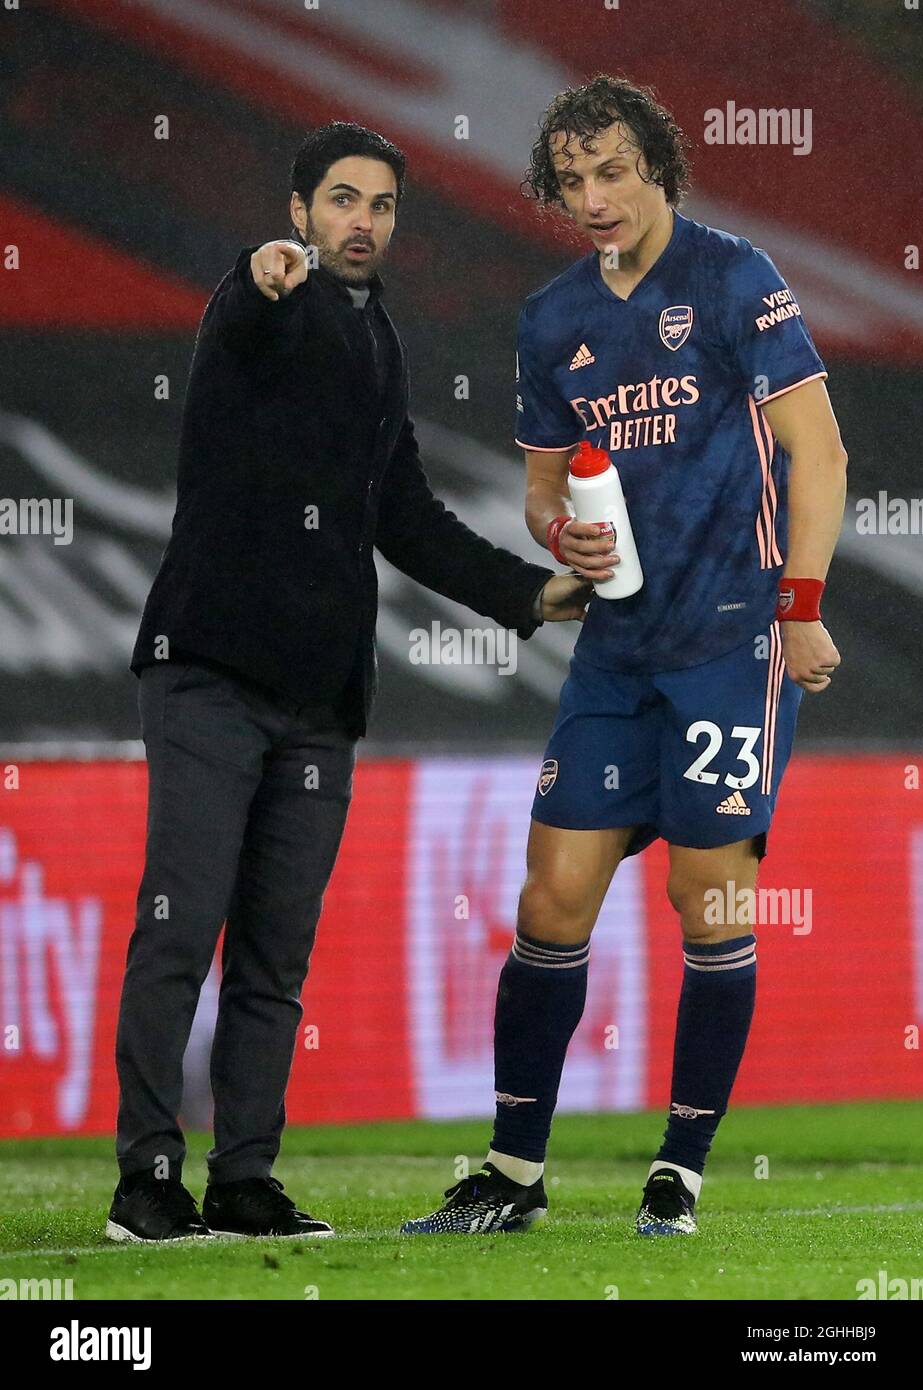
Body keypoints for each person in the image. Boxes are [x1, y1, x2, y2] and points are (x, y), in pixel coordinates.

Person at [108, 121, 588, 1243]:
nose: (359, 221)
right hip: (209, 672)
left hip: (320, 699)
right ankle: (146, 1177)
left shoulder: (381, 347)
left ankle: (242, 1179)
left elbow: (404, 515)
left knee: (275, 952)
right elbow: (248, 305)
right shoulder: (266, 306)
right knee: (180, 929)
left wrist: (530, 596)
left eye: (379, 205)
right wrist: (254, 277)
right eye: (338, 200)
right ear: (297, 212)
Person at [402, 76, 846, 1238]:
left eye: (611, 172)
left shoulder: (731, 274)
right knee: (548, 900)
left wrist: (799, 604)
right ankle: (510, 1171)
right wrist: (564, 535)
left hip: (728, 642)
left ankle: (680, 1171)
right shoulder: (551, 319)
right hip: (614, 651)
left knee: (707, 905)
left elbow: (820, 449)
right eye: (570, 180)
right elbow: (544, 495)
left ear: (656, 166)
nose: (592, 198)